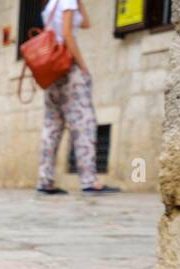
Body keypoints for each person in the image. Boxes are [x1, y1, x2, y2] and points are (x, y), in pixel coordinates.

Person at [36, 0, 120, 195]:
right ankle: (89, 180)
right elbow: (67, 34)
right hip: (67, 67)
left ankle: (44, 180)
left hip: (51, 72)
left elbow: (85, 23)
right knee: (85, 123)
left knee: (52, 125)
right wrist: (83, 67)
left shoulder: (52, 5)